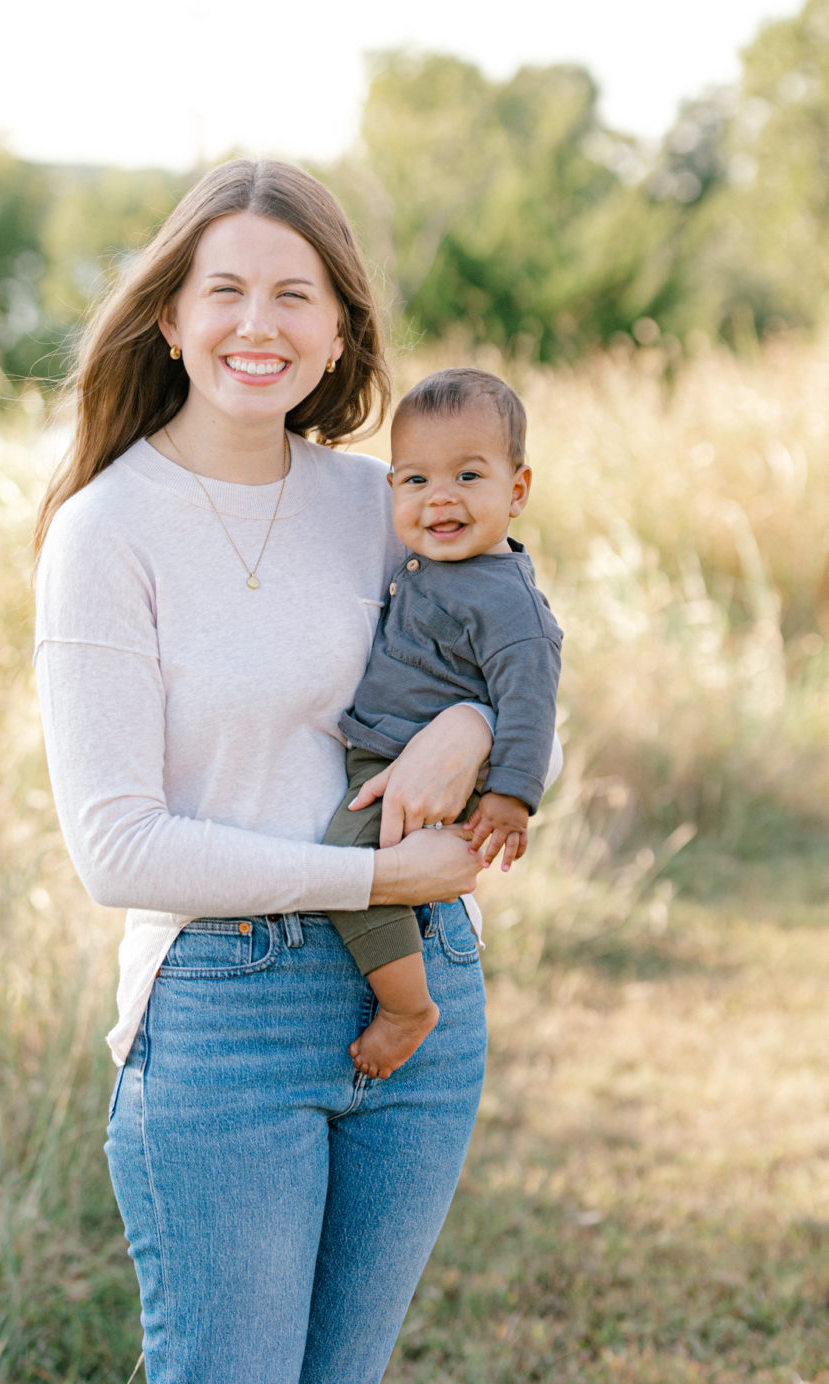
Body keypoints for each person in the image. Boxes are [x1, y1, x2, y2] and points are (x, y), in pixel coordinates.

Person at [34, 159, 502, 1383]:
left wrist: (471, 730)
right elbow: (117, 847)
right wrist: (373, 878)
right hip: (222, 1008)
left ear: (339, 325)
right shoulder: (107, 531)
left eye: (296, 294)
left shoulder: (382, 501)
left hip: (426, 990)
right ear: (170, 318)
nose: (260, 324)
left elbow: (518, 640)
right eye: (225, 290)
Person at [323, 367, 563, 1080]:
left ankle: (408, 1010)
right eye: (416, 481)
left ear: (516, 491)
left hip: (410, 779)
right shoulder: (430, 564)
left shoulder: (509, 602)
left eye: (467, 475)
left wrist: (510, 797)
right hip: (384, 758)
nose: (441, 499)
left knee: (349, 872)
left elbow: (530, 702)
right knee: (361, 874)